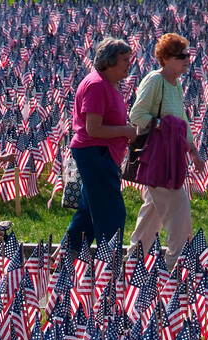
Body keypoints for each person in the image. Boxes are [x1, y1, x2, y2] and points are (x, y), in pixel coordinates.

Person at [128, 33, 204, 270]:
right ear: (167, 58)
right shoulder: (155, 80)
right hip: (158, 160)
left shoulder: (176, 84)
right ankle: (176, 271)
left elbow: (182, 120)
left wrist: (192, 149)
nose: (187, 60)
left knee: (150, 220)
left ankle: (130, 266)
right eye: (182, 56)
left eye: (188, 55)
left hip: (172, 158)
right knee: (180, 215)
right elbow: (136, 115)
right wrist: (163, 126)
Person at [63, 37, 140, 255]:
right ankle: (110, 263)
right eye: (124, 59)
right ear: (109, 61)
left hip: (101, 155)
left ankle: (65, 260)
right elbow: (93, 129)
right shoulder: (96, 85)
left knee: (87, 215)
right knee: (111, 213)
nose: (129, 63)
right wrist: (126, 131)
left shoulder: (108, 85)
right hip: (95, 154)